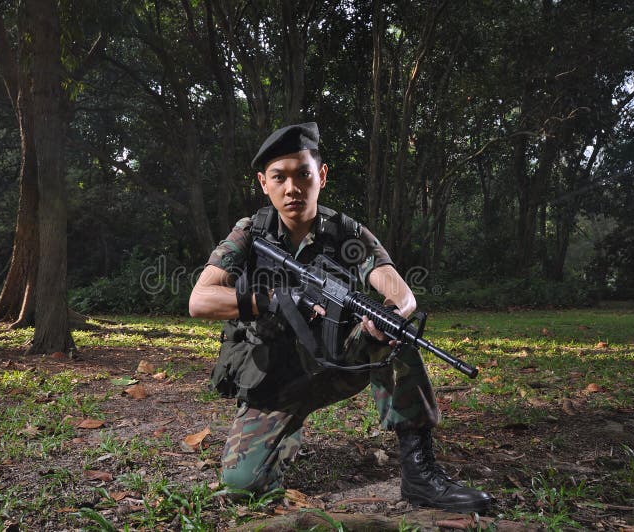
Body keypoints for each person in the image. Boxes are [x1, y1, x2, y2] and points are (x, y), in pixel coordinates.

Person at [188, 122, 493, 513]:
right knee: (242, 484)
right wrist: (270, 300)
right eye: (279, 177)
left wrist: (386, 317)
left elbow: (402, 293)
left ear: (322, 176)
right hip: (274, 379)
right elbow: (199, 300)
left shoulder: (346, 234)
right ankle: (285, 435)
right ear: (264, 183)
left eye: (303, 174)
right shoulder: (250, 233)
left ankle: (420, 474)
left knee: (397, 335)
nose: (292, 187)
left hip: (336, 363)